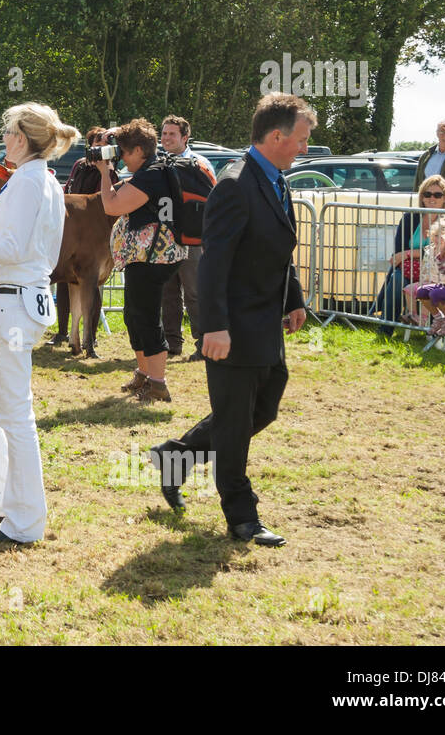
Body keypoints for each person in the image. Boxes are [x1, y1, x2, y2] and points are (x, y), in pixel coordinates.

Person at [148, 92, 315, 547]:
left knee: (261, 408)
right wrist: (213, 328)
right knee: (236, 423)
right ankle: (242, 516)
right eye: (300, 140)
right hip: (232, 328)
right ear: (276, 136)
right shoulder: (235, 185)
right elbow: (213, 262)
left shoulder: (277, 180)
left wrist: (294, 298)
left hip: (265, 324)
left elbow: (279, 249)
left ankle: (175, 459)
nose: (304, 148)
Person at [0, 103, 76, 544]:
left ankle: (25, 521)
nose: (4, 139)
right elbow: (14, 241)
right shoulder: (39, 180)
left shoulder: (29, 182)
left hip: (13, 304)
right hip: (15, 302)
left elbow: (10, 250)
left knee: (15, 415)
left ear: (22, 139)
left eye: (8, 132)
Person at [96, 118, 187, 403]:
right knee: (134, 314)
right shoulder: (153, 168)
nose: (120, 157)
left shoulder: (152, 175)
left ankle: (158, 383)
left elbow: (111, 205)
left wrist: (103, 172)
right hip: (146, 257)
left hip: (153, 257)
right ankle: (145, 374)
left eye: (122, 151)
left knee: (145, 317)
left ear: (138, 150)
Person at [53, 126, 118, 346]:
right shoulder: (79, 166)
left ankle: (90, 334)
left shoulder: (109, 171)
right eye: (95, 143)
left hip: (92, 234)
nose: (98, 148)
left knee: (90, 282)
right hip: (70, 229)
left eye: (103, 144)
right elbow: (69, 189)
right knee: (64, 283)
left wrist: (104, 169)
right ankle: (63, 332)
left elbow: (106, 201)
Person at [158, 115, 214, 360]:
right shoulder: (158, 163)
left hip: (192, 238)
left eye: (172, 134)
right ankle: (172, 343)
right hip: (164, 237)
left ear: (185, 137)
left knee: (194, 292)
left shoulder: (199, 164)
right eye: (164, 133)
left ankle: (203, 343)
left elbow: (212, 199)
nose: (166, 138)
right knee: (167, 292)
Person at [372, 176, 445, 336]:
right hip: (409, 269)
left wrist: (410, 253)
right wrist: (407, 255)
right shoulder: (410, 217)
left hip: (436, 273)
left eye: (437, 195)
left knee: (416, 281)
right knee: (397, 279)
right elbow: (397, 250)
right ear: (421, 197)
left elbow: (441, 251)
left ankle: (427, 322)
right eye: (427, 194)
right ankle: (385, 330)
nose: (432, 198)